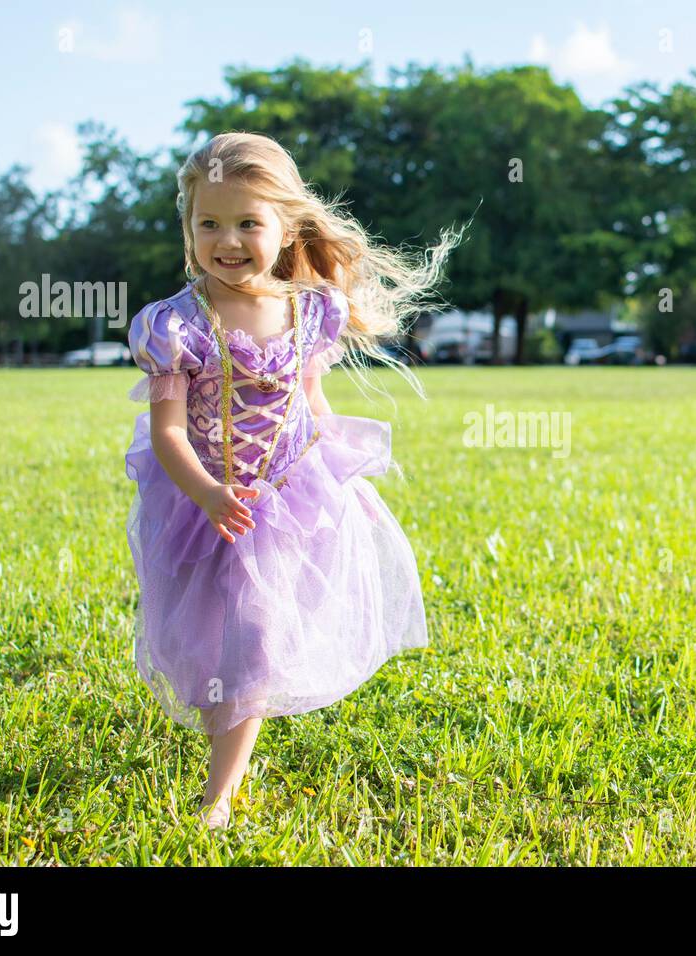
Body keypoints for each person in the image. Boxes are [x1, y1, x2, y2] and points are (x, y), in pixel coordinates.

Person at [123, 132, 461, 829]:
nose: (229, 239)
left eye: (249, 222)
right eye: (209, 223)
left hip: (286, 499)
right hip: (205, 501)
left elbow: (312, 405)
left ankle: (219, 796)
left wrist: (342, 478)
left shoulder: (311, 312)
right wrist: (208, 494)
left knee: (257, 635)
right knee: (210, 638)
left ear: (284, 226)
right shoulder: (175, 326)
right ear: (188, 230)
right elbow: (168, 432)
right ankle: (224, 730)